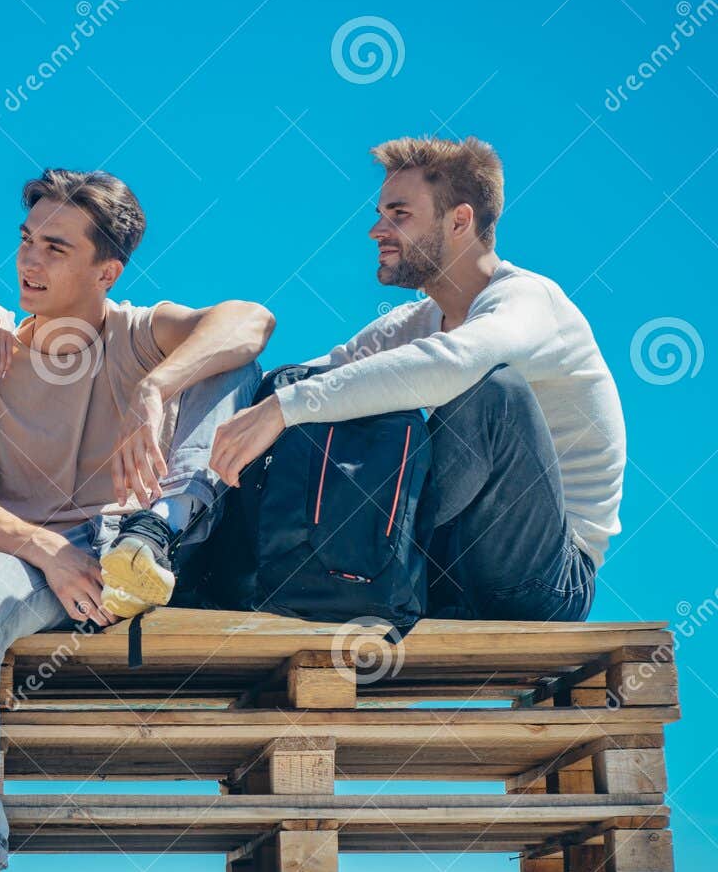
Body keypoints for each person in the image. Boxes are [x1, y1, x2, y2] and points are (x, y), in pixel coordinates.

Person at [0, 168, 273, 872]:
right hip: (50, 563)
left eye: (56, 248)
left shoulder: (138, 329)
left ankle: (159, 528)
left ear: (106, 272)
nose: (29, 262)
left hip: (150, 549)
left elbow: (252, 320)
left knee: (222, 362)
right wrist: (54, 551)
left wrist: (156, 383)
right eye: (25, 241)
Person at [209, 135, 625, 622]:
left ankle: (362, 559)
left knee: (493, 392)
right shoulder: (410, 324)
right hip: (445, 569)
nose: (374, 230)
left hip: (544, 580)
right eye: (380, 213)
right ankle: (239, 573)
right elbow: (314, 379)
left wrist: (286, 408)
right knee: (295, 386)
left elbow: (451, 364)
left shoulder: (531, 302)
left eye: (398, 214)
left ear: (459, 221)